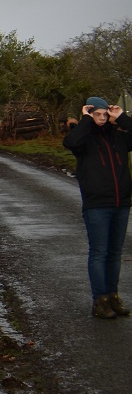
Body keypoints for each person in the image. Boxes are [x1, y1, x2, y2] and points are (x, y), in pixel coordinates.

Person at [63, 96, 132, 318]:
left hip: (121, 203)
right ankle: (100, 301)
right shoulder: (84, 140)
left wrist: (121, 117)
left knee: (114, 253)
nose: (102, 118)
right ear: (89, 114)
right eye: (97, 114)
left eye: (105, 114)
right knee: (99, 252)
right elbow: (70, 142)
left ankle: (113, 296)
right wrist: (85, 120)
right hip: (97, 205)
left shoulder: (118, 137)